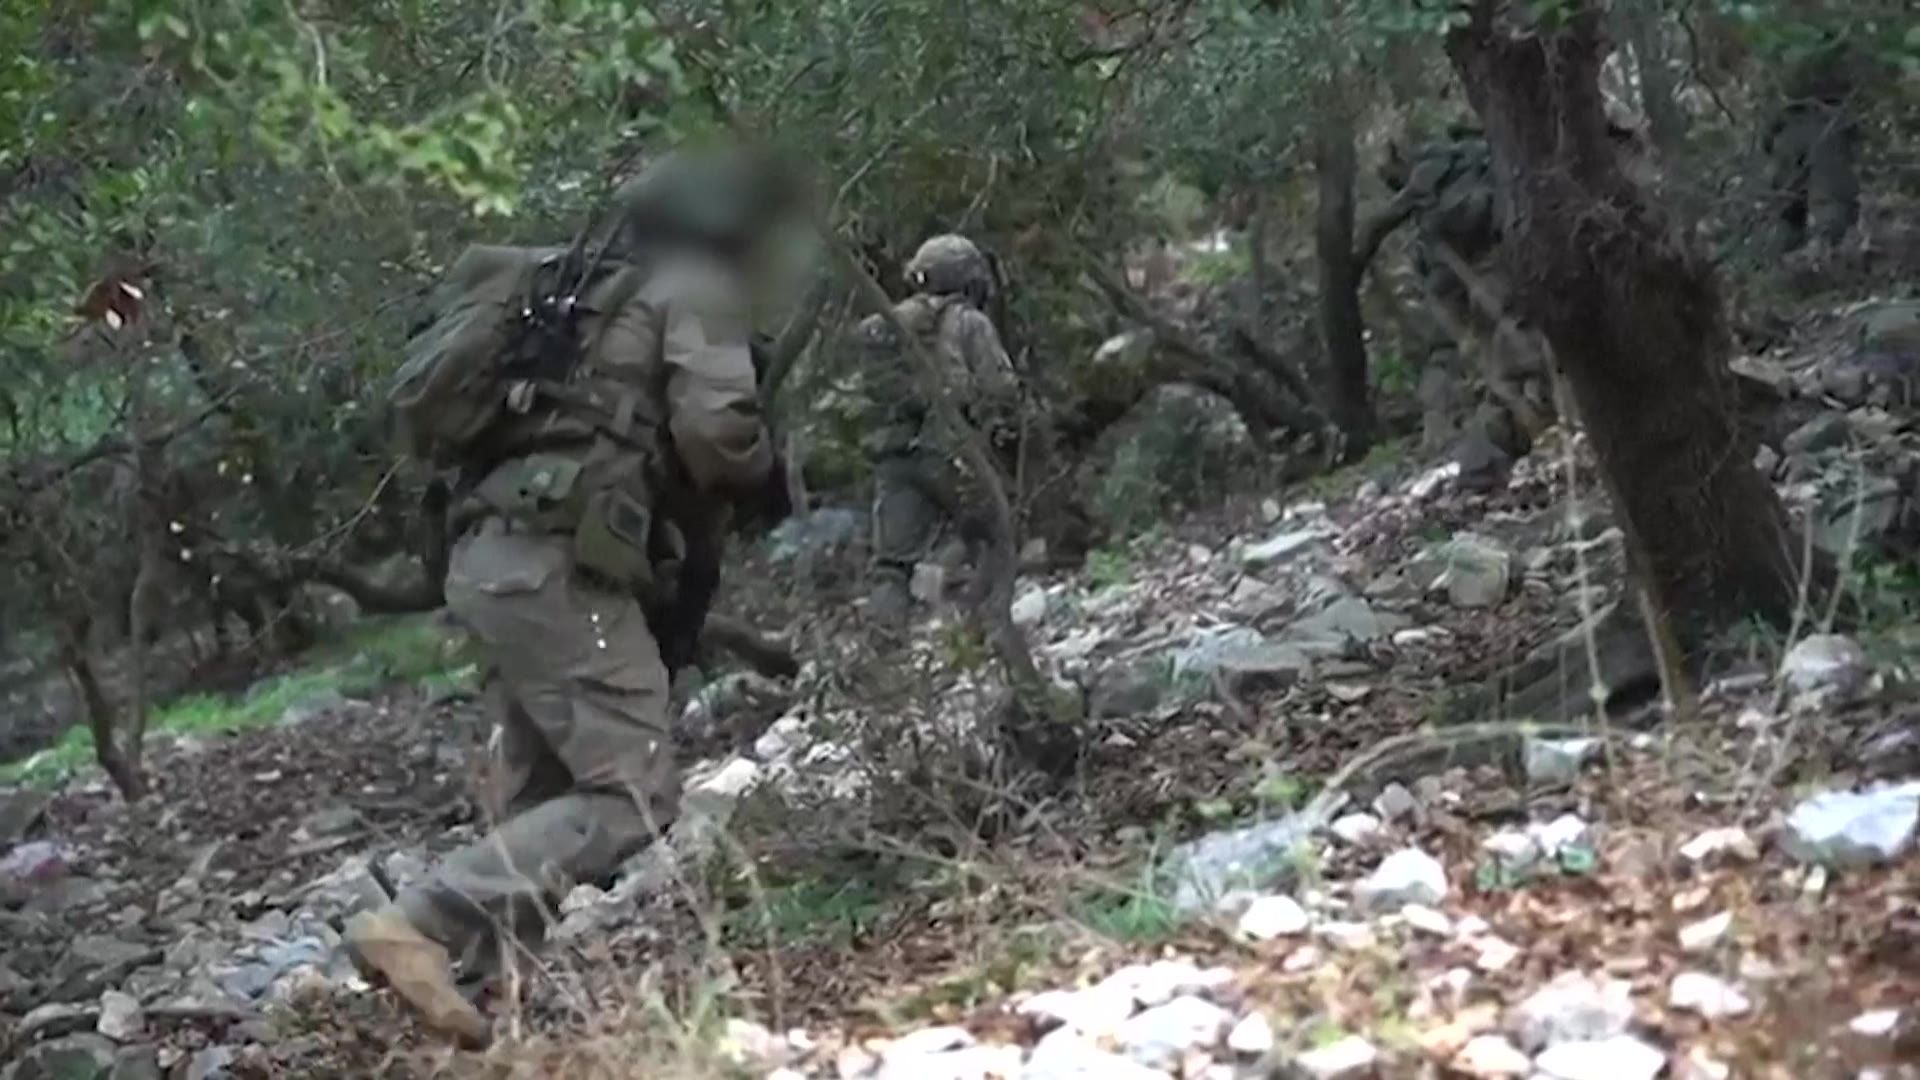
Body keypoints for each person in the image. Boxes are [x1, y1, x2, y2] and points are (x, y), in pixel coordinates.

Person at [343, 146, 796, 1043]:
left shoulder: (563, 290)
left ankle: (496, 1000)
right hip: (560, 568)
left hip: (488, 559)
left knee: (544, 787)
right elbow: (717, 432)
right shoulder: (690, 289)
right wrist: (761, 472)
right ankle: (419, 925)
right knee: (634, 795)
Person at [855, 234, 1021, 626]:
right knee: (993, 541)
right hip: (951, 453)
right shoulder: (970, 322)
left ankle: (878, 654)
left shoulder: (889, 324)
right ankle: (983, 634)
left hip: (896, 460)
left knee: (892, 567)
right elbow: (1001, 390)